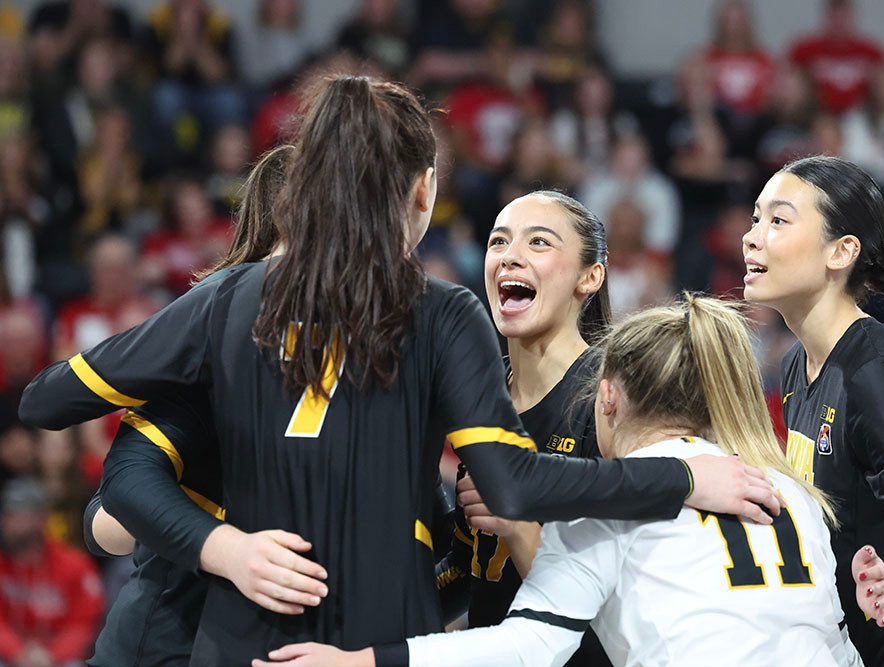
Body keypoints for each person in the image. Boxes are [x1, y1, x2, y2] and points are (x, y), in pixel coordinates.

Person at [19, 76, 780, 666]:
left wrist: (224, 544)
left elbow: (50, 402)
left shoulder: (225, 300)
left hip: (240, 640)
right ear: (423, 189)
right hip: (380, 642)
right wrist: (682, 479)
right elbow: (513, 483)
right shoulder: (444, 312)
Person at [253, 295, 861, 667]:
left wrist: (360, 661)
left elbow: (525, 650)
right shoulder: (790, 492)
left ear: (608, 398)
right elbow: (836, 645)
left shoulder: (613, 502)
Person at [742, 155, 884, 665]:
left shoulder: (876, 375)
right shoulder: (799, 361)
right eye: (755, 218)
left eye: (777, 220)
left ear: (841, 251)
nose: (752, 236)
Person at [81, 144, 292, 667]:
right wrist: (195, 525)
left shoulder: (367, 365)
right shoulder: (209, 353)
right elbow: (105, 518)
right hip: (169, 635)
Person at [437, 190, 614, 666]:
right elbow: (467, 567)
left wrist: (515, 522)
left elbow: (609, 605)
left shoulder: (614, 397)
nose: (510, 257)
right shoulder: (474, 390)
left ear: (589, 276)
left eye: (538, 243)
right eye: (498, 242)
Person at [0, 478, 105, 666]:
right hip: (10, 656)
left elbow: (83, 624)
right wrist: (19, 653)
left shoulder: (75, 565)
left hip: (59, 658)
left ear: (40, 518)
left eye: (17, 516)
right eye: (7, 516)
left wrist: (51, 656)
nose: (9, 524)